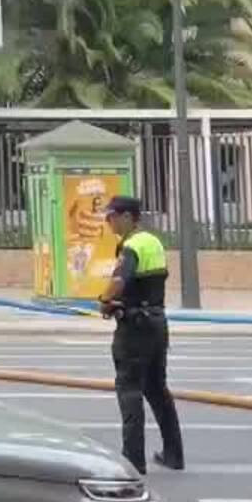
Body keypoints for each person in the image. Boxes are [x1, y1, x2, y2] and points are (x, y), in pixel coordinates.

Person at [99, 195, 184, 474]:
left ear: (127, 216)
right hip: (157, 324)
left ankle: (133, 459)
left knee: (129, 390)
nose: (108, 222)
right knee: (157, 389)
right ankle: (174, 454)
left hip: (135, 329)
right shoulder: (154, 242)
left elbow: (119, 279)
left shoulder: (132, 245)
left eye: (111, 216)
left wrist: (104, 301)